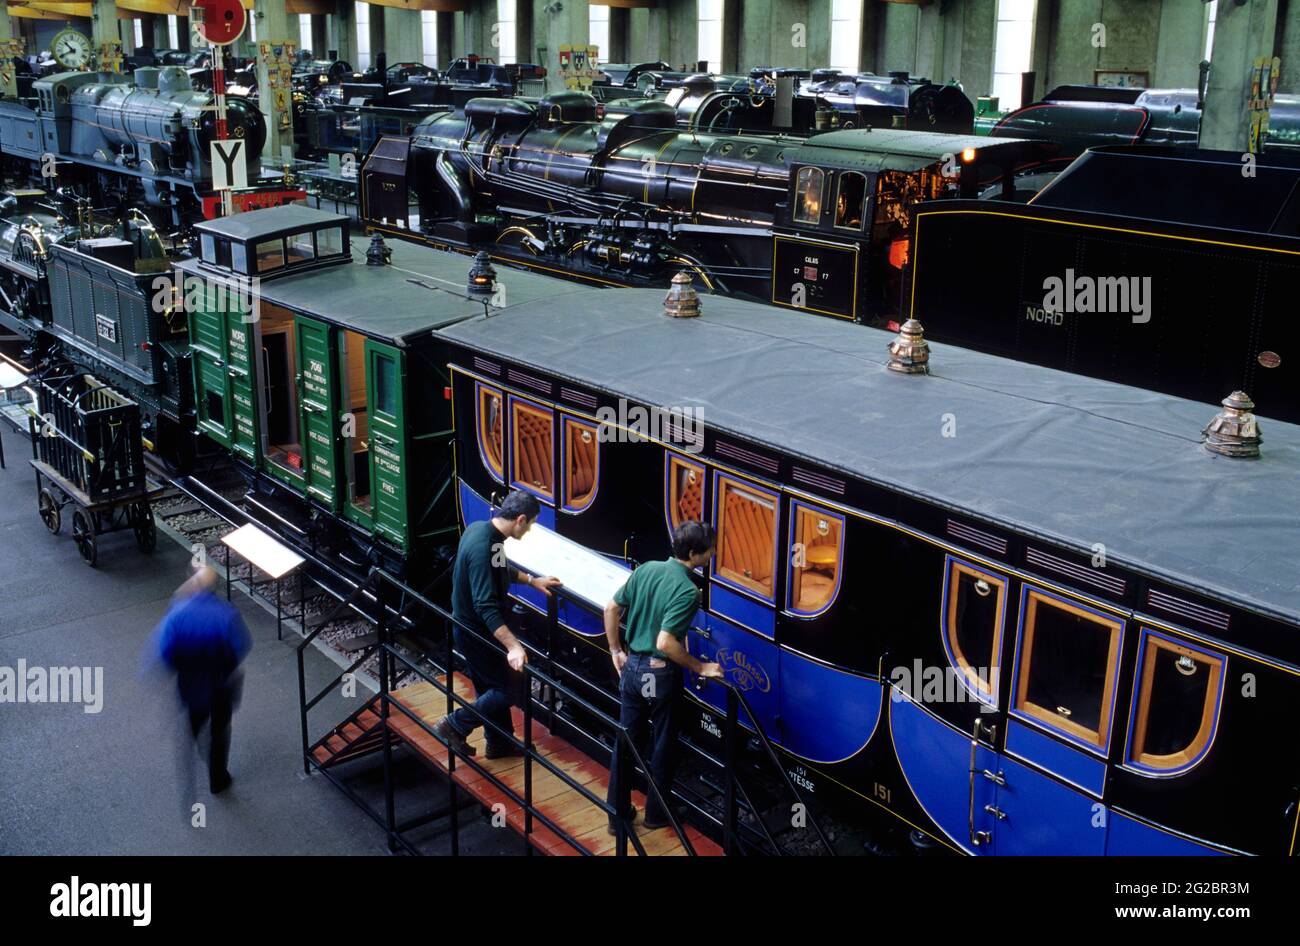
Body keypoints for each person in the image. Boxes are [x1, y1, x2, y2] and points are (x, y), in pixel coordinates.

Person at [603, 521, 723, 835]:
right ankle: (656, 813)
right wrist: (699, 667)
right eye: (710, 549)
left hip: (632, 669)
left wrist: (615, 649)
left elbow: (612, 607)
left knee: (626, 741)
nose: (713, 553)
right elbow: (665, 642)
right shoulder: (688, 591)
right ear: (695, 554)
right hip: (658, 675)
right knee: (664, 744)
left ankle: (617, 816)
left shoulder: (646, 570)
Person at [434, 491, 561, 759]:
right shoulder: (485, 546)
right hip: (475, 631)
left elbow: (500, 568)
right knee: (510, 689)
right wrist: (513, 646)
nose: (529, 530)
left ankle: (499, 742)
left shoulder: (485, 533)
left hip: (470, 627)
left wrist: (533, 581)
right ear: (521, 519)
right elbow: (486, 606)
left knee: (490, 686)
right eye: (531, 524)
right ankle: (454, 724)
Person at [147, 565, 252, 795]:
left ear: (194, 585)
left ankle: (198, 747)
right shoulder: (226, 613)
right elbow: (242, 645)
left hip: (190, 685)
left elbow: (164, 651)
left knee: (194, 723)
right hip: (221, 685)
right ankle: (218, 778)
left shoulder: (178, 613)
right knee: (220, 730)